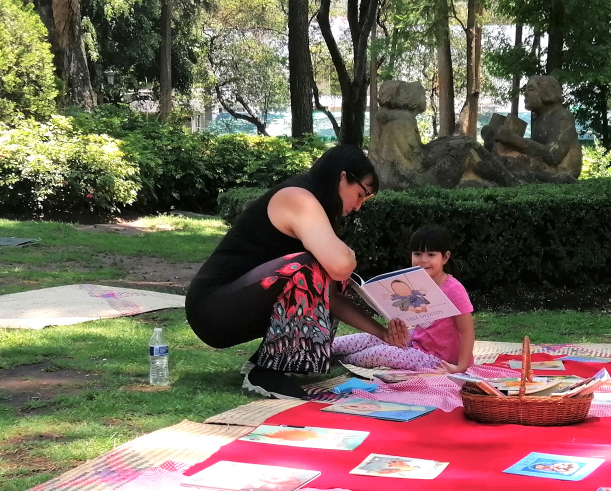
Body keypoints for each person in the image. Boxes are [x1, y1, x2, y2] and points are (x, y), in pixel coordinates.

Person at [185, 145, 408, 399]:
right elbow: (339, 264)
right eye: (360, 194)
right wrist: (349, 255)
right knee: (311, 266)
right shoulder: (297, 198)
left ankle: (266, 361)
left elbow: (329, 297)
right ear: (343, 177)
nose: (358, 206)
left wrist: (381, 332)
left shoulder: (314, 207)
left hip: (234, 304)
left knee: (321, 272)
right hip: (211, 307)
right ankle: (268, 373)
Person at [332, 225, 475, 373]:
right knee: (368, 338)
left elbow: (467, 331)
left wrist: (460, 367)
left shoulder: (453, 289)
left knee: (382, 353)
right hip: (415, 340)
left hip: (437, 358)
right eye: (417, 254)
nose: (423, 260)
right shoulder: (415, 281)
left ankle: (339, 359)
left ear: (445, 257)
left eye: (431, 255)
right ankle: (324, 349)